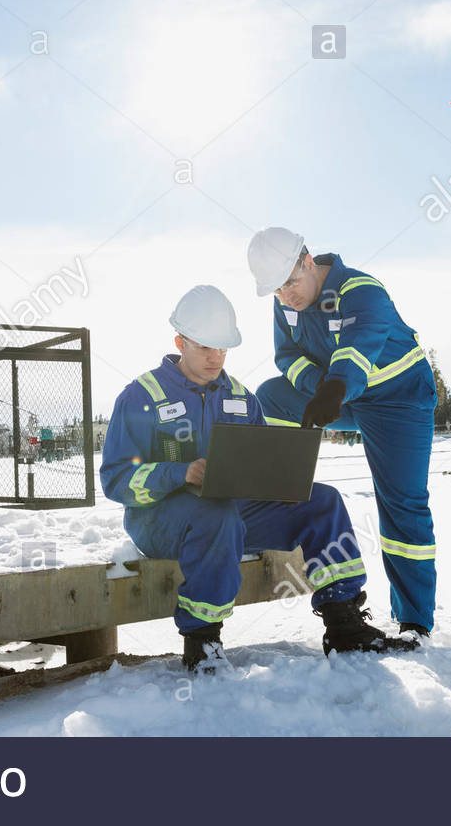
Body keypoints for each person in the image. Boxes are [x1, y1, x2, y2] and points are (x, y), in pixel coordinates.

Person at [100, 284, 413, 675]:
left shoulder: (242, 397)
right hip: (160, 522)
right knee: (216, 516)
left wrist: (279, 481)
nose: (216, 358)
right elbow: (115, 479)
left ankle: (343, 622)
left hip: (231, 515)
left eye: (223, 348)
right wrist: (180, 473)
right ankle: (203, 640)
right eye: (205, 348)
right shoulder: (142, 396)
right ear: (180, 341)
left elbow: (259, 463)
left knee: (323, 501)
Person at [247, 227, 437, 645]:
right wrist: (320, 386)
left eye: (291, 283)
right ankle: (274, 500)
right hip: (337, 396)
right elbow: (286, 355)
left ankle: (415, 622)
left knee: (403, 503)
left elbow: (357, 349)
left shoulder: (362, 290)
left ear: (308, 261)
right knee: (270, 397)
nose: (286, 296)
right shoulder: (287, 303)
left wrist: (333, 388)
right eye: (275, 290)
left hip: (397, 401)